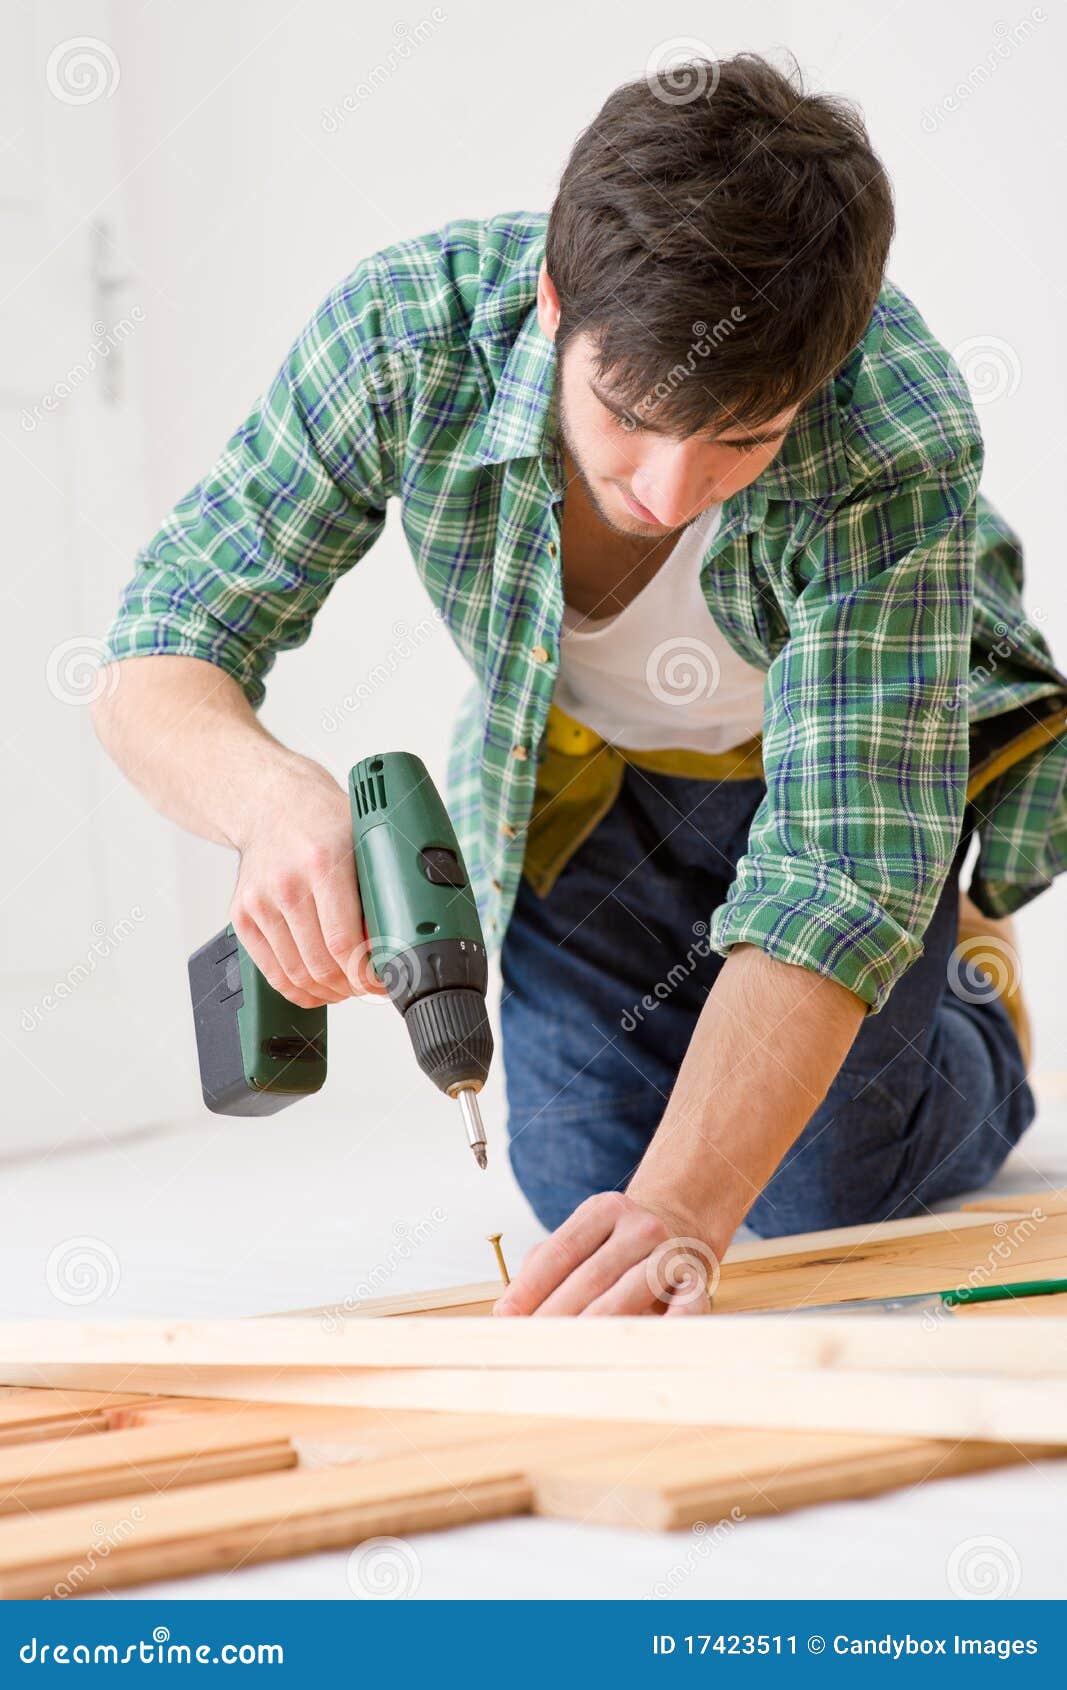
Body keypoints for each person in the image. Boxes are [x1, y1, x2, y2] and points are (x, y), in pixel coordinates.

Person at [93, 54, 1066, 1317]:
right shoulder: (404, 333)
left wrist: (687, 1211)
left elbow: (833, 870)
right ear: (554, 304)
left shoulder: (891, 423)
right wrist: (271, 800)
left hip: (820, 788)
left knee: (817, 1191)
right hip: (586, 784)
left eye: (741, 440)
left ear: (818, 382)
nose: (667, 493)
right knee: (580, 1184)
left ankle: (971, 1001)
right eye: (625, 414)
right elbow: (160, 642)